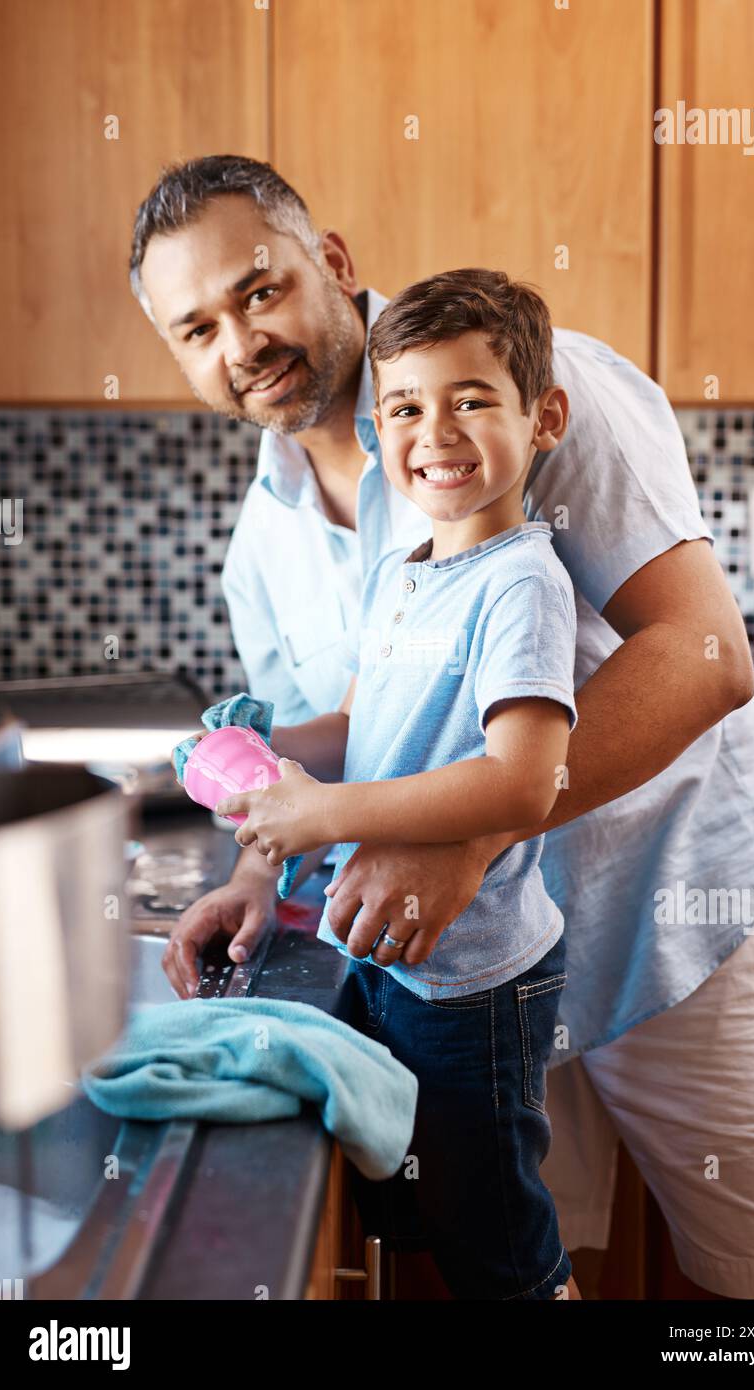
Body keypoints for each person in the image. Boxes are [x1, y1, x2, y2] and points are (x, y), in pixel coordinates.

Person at [131, 156, 754, 1300]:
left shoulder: (522, 392)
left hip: (676, 919)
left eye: (258, 292)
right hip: (477, 990)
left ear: (333, 262)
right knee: (530, 1276)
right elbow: (359, 741)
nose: (240, 342)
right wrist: (262, 871)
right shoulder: (258, 550)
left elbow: (702, 658)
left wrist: (466, 838)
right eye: (196, 327)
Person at [213, 269, 580, 1300]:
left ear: (541, 416)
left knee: (496, 1243)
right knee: (413, 1222)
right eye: (408, 408)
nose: (438, 432)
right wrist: (272, 740)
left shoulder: (522, 581)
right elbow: (361, 728)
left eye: (471, 399)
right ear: (377, 434)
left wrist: (320, 813)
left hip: (471, 985)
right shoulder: (403, 570)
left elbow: (523, 783)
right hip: (380, 955)